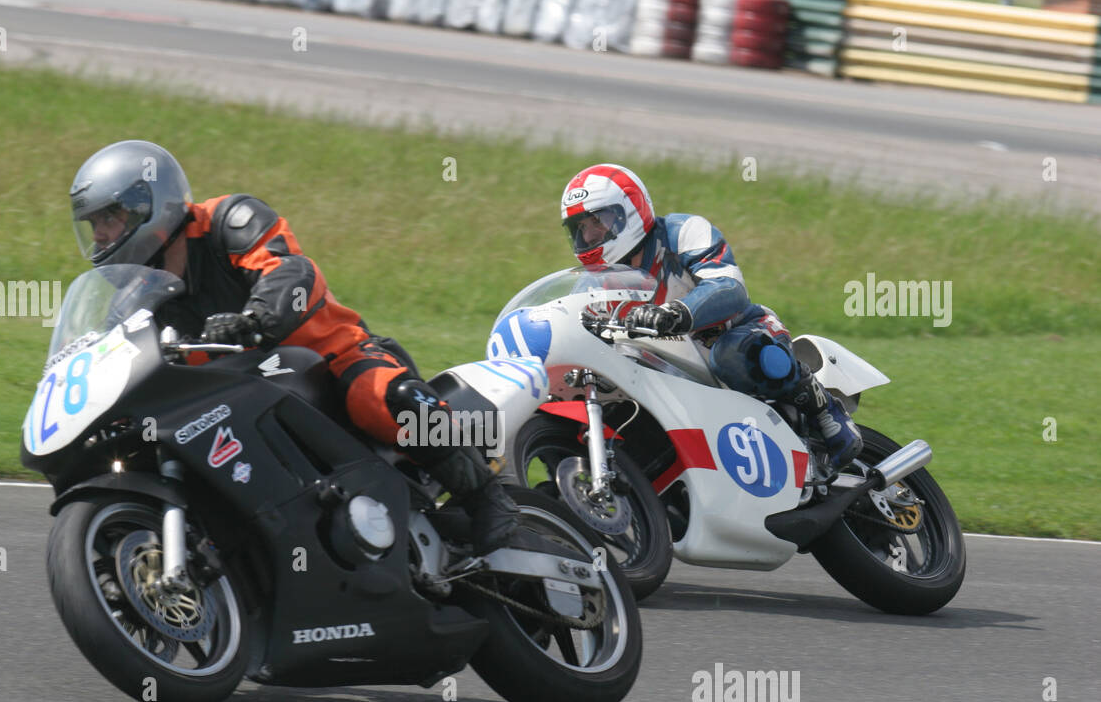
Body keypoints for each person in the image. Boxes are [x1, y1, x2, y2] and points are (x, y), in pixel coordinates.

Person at [68, 140, 519, 552]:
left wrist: (253, 321)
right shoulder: (134, 297)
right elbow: (118, 353)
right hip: (235, 396)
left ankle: (486, 498)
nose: (101, 235)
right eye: (94, 224)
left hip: (330, 360)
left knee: (381, 399)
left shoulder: (228, 220)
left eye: (109, 218)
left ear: (151, 206)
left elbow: (290, 271)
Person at [561, 163, 863, 471]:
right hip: (668, 369)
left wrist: (675, 313)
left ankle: (822, 407)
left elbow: (729, 288)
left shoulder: (682, 232)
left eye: (598, 221)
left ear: (630, 210)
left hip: (741, 333)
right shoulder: (595, 283)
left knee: (730, 355)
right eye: (581, 228)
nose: (590, 234)